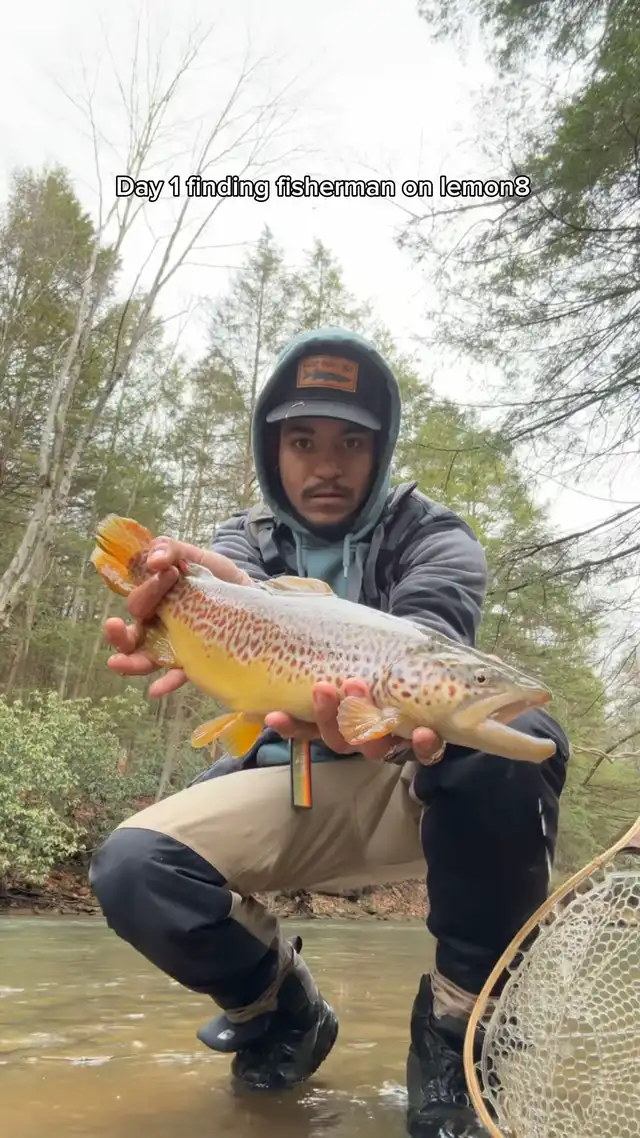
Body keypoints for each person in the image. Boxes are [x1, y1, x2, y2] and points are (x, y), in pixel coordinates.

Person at [89, 327, 570, 1138]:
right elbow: (219, 600)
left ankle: (459, 1038)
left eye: (351, 441)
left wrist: (394, 708)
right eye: (302, 441)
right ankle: (282, 1012)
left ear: (380, 449)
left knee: (520, 739)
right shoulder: (241, 543)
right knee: (134, 870)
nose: (327, 464)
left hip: (411, 790)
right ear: (271, 449)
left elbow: (431, 638)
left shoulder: (437, 537)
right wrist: (182, 610)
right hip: (284, 785)